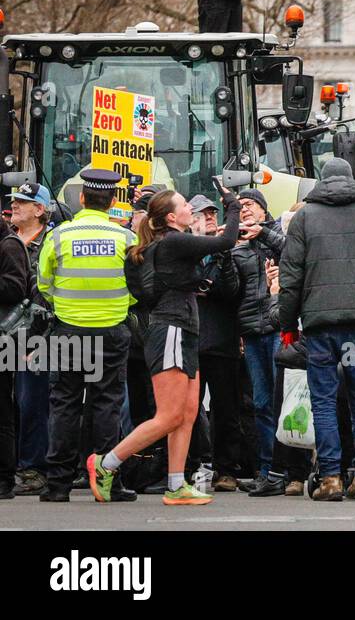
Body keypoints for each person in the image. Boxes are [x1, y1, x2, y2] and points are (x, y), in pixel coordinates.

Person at [89, 183, 241, 506]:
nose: (191, 208)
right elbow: (228, 241)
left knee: (187, 413)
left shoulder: (169, 245)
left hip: (184, 332)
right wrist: (232, 203)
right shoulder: (172, 243)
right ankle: (106, 463)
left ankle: (175, 485)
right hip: (171, 330)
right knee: (170, 415)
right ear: (172, 218)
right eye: (185, 204)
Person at [276, 158, 355, 502]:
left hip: (320, 323)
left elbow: (291, 276)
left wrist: (287, 323)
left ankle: (330, 477)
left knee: (324, 401)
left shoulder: (305, 217)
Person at [37, 170, 137, 503]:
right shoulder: (126, 238)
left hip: (68, 330)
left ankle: (58, 485)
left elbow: (44, 284)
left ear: (82, 199)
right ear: (111, 201)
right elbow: (137, 288)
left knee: (65, 405)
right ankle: (107, 481)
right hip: (112, 330)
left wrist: (65, 306)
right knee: (107, 404)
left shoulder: (59, 236)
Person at [231, 190, 287, 496]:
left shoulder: (279, 235)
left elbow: (296, 253)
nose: (243, 211)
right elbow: (232, 291)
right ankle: (267, 470)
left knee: (284, 403)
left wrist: (264, 233)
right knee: (262, 403)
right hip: (253, 332)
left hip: (279, 329)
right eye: (238, 208)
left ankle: (289, 469)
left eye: (248, 205)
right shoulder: (240, 249)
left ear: (264, 210)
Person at [187, 194, 244, 492]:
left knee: (226, 411)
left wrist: (223, 260)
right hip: (192, 342)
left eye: (213, 213)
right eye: (202, 214)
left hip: (222, 340)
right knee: (189, 410)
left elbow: (230, 291)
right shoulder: (185, 249)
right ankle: (194, 463)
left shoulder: (225, 251)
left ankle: (226, 469)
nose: (210, 217)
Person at [10, 183, 53, 496]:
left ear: (40, 210)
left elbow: (46, 294)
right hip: (7, 336)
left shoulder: (50, 243)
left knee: (32, 404)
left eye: (23, 201)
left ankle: (34, 468)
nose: (15, 205)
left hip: (35, 338)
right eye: (14, 200)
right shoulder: (9, 242)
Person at [0, 210, 31, 500]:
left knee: (2, 412)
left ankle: (4, 478)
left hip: (4, 338)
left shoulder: (9, 245)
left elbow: (15, 288)